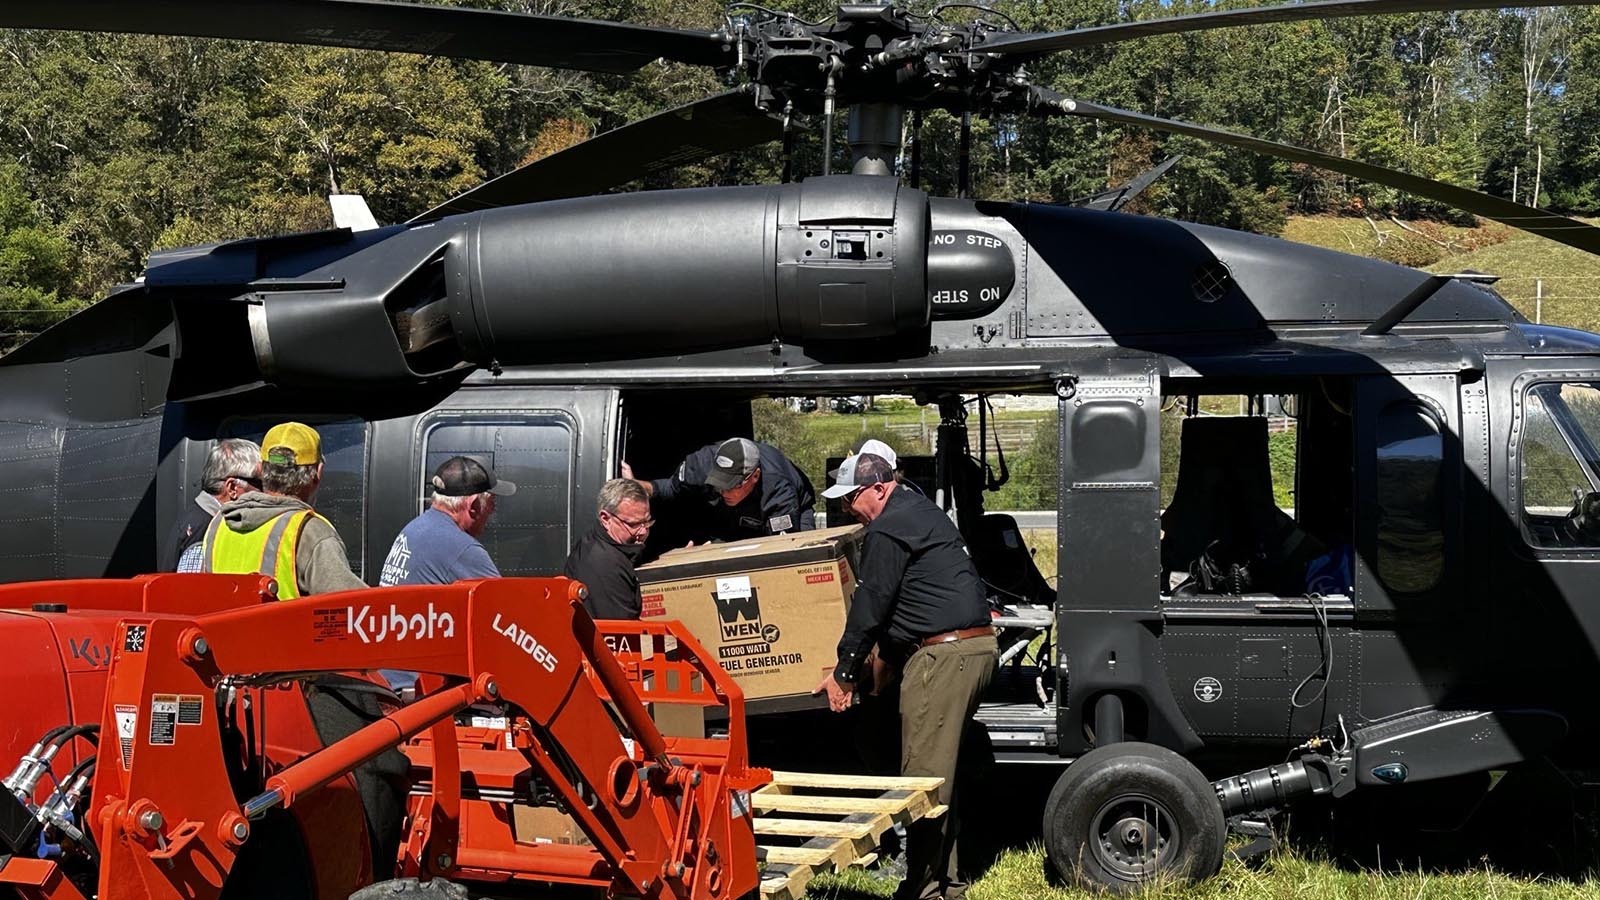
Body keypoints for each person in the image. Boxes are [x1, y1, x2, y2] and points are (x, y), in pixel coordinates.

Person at [814, 451, 997, 900]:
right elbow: (903, 609)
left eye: (853, 497)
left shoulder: (889, 527)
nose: (847, 508)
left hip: (944, 657)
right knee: (939, 776)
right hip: (969, 649)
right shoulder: (919, 511)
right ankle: (945, 880)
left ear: (879, 488)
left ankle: (926, 888)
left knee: (922, 783)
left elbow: (871, 604)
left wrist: (843, 671)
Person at [200, 421, 365, 598]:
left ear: (262, 469)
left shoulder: (219, 524)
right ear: (318, 473)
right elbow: (352, 609)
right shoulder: (310, 532)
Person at [625, 437, 815, 542]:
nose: (724, 491)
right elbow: (669, 488)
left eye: (732, 485)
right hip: (727, 519)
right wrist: (638, 487)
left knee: (801, 558)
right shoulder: (700, 465)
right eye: (719, 483)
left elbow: (781, 550)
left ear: (754, 477)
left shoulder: (779, 492)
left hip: (789, 510)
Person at [379, 456, 515, 586]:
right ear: (474, 506)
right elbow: (503, 605)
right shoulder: (463, 550)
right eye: (492, 502)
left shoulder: (414, 528)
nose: (492, 510)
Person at [162, 438, 261, 573]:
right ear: (232, 488)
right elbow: (190, 590)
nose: (264, 491)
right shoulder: (206, 528)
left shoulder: (198, 518)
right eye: (259, 483)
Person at [562, 478, 654, 619]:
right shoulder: (604, 566)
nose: (643, 531)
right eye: (634, 524)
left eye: (646, 522)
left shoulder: (606, 543)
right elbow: (620, 633)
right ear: (606, 519)